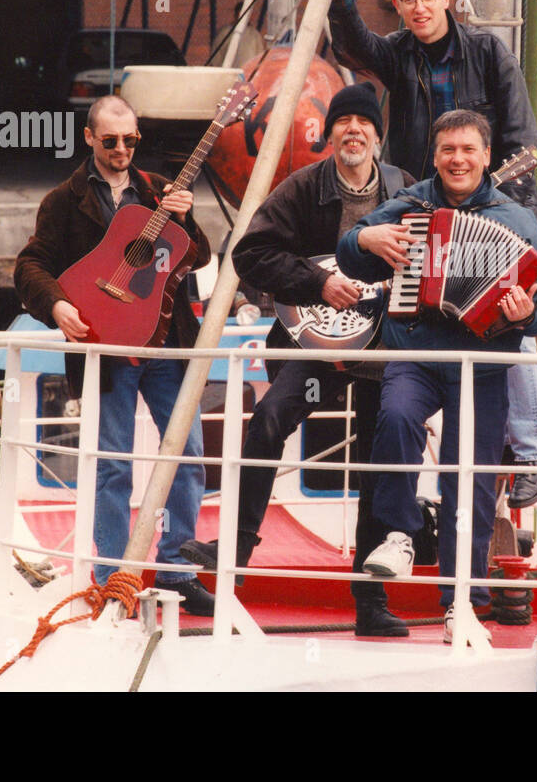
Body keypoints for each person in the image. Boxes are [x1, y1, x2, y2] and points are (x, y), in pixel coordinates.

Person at [178, 82, 416, 637]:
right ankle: (232, 554)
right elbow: (249, 253)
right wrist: (318, 283)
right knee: (267, 422)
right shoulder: (302, 188)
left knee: (377, 463)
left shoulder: (405, 189)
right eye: (343, 123)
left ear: (377, 137)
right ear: (327, 134)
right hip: (312, 348)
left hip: (379, 351)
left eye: (364, 123)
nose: (353, 131)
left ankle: (371, 601)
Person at [320, 0, 537, 509]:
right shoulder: (397, 53)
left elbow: (521, 137)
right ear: (397, 6)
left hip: (486, 203)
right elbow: (353, 47)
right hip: (422, 205)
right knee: (415, 317)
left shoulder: (489, 53)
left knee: (507, 312)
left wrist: (506, 213)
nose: (420, 8)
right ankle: (400, 504)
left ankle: (530, 450)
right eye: (408, 0)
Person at [336, 109, 537, 642]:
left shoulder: (518, 220)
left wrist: (525, 313)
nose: (458, 159)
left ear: (485, 157)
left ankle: (464, 601)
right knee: (394, 419)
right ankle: (397, 534)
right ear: (433, 157)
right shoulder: (409, 207)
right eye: (447, 151)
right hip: (415, 349)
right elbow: (350, 254)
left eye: (468, 150)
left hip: (483, 363)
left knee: (472, 482)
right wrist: (366, 242)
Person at [14, 95, 215, 616]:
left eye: (131, 140)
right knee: (112, 465)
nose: (122, 149)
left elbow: (196, 257)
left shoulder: (157, 191)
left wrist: (186, 220)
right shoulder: (65, 200)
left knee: (187, 457)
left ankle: (177, 571)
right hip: (105, 346)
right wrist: (57, 305)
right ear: (89, 138)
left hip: (168, 345)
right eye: (110, 140)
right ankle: (111, 577)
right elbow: (31, 264)